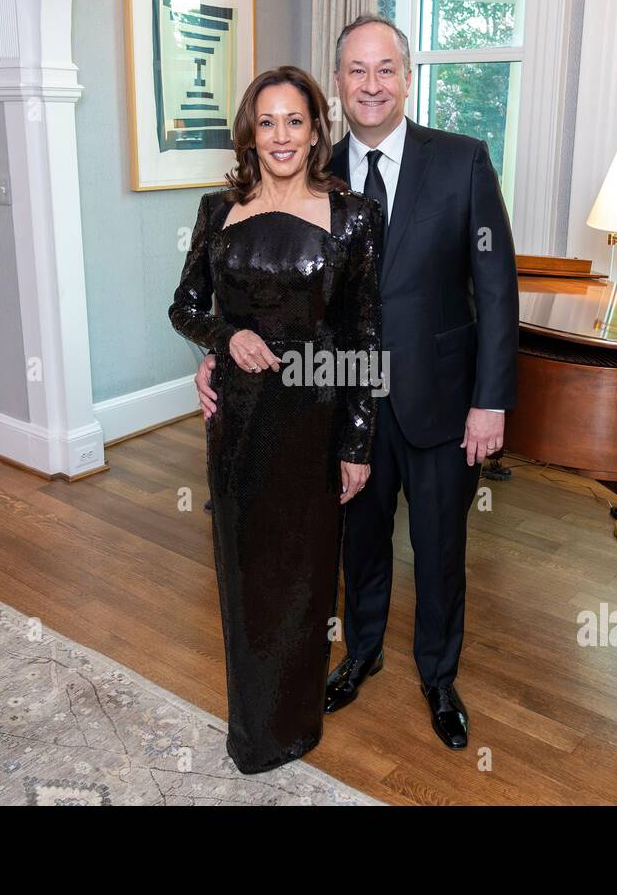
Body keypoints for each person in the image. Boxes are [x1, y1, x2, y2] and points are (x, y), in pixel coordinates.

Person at [195, 16, 519, 751]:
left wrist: (490, 399)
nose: (371, 84)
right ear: (337, 86)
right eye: (355, 71)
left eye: (385, 69)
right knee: (359, 548)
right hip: (341, 408)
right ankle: (362, 652)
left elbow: (497, 290)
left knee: (439, 551)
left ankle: (439, 677)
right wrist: (216, 351)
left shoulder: (462, 161)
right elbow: (265, 296)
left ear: (406, 78)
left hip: (440, 404)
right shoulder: (310, 170)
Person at [168, 65, 383, 774]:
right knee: (242, 569)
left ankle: (294, 724)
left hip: (317, 419)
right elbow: (186, 306)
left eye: (295, 121)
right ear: (249, 133)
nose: (281, 135)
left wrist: (356, 443)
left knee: (306, 574)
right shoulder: (216, 212)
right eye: (267, 122)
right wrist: (222, 340)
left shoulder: (353, 216)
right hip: (240, 423)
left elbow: (364, 339)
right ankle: (253, 726)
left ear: (317, 130)